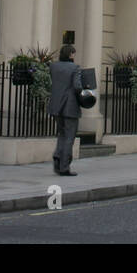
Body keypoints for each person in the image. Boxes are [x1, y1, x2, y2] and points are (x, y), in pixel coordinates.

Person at [48, 44, 84, 175]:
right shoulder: (75, 68)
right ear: (70, 55)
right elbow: (77, 87)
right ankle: (64, 166)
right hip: (70, 106)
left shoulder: (53, 66)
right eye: (73, 53)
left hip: (56, 105)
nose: (74, 55)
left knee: (61, 134)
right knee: (69, 136)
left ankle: (58, 155)